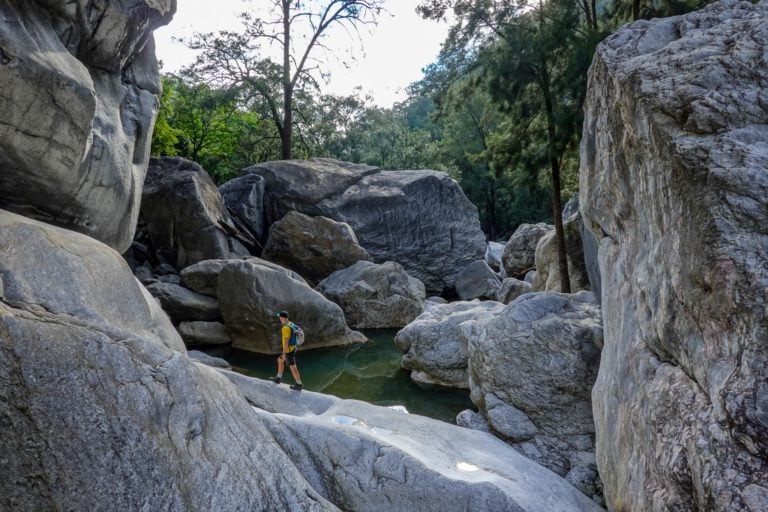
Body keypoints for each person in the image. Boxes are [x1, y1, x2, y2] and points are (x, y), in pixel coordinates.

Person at [269, 311, 303, 390]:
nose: (280, 319)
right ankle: (278, 378)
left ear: (283, 318)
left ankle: (299, 384)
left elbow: (286, 341)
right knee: (280, 360)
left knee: (293, 367)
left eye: (280, 318)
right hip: (293, 348)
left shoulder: (285, 328)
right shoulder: (291, 323)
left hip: (288, 351)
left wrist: (284, 353)